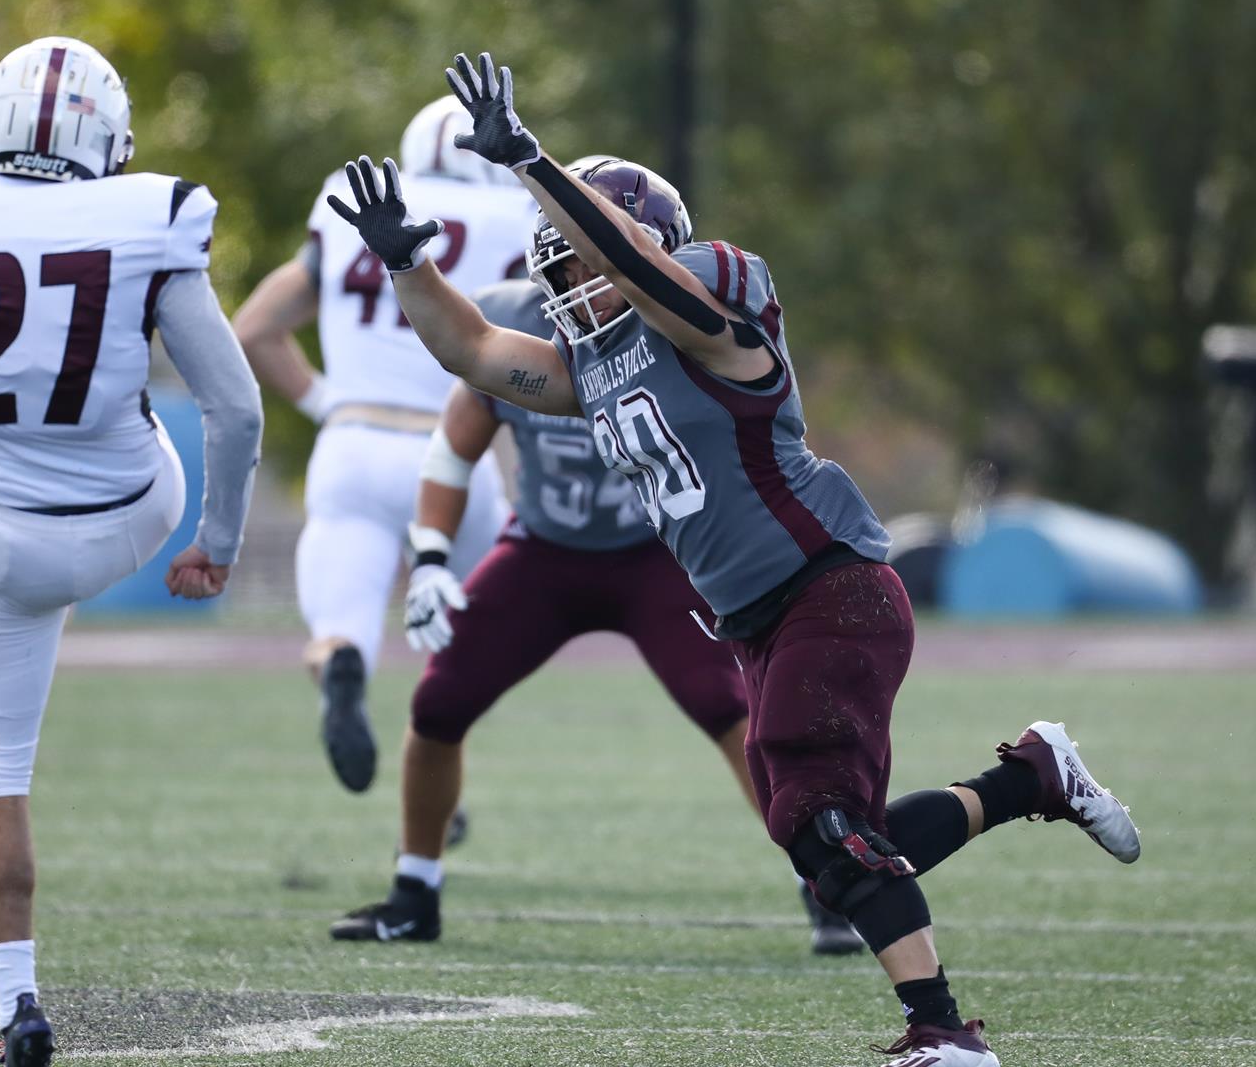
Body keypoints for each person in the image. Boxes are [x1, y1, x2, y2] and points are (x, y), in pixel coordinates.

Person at [325, 53, 1143, 1067]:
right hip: (761, 617)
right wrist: (409, 264)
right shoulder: (595, 363)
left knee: (815, 819)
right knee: (832, 842)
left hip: (826, 584)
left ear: (633, 242)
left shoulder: (720, 296)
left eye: (576, 259)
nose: (564, 280)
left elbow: (650, 279)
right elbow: (479, 354)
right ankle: (1029, 775)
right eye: (555, 265)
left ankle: (943, 1030)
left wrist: (530, 159)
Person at [0, 37, 263, 1067]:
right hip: (130, 509)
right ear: (115, 141)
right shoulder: (150, 209)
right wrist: (216, 544)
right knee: (136, 421)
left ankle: (18, 1003)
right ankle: (20, 1011)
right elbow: (234, 406)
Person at [330, 273, 860, 955]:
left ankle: (822, 882)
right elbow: (454, 445)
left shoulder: (683, 328)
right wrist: (430, 556)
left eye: (592, 259)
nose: (580, 282)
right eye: (564, 264)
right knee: (439, 703)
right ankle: (413, 893)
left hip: (659, 554)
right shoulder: (510, 320)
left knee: (732, 711)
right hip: (545, 551)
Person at [231, 96, 533, 794]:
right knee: (468, 643)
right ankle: (431, 777)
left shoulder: (352, 201)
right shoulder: (513, 218)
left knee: (336, 631)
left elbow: (253, 330)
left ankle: (344, 665)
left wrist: (325, 403)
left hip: (354, 444)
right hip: (455, 458)